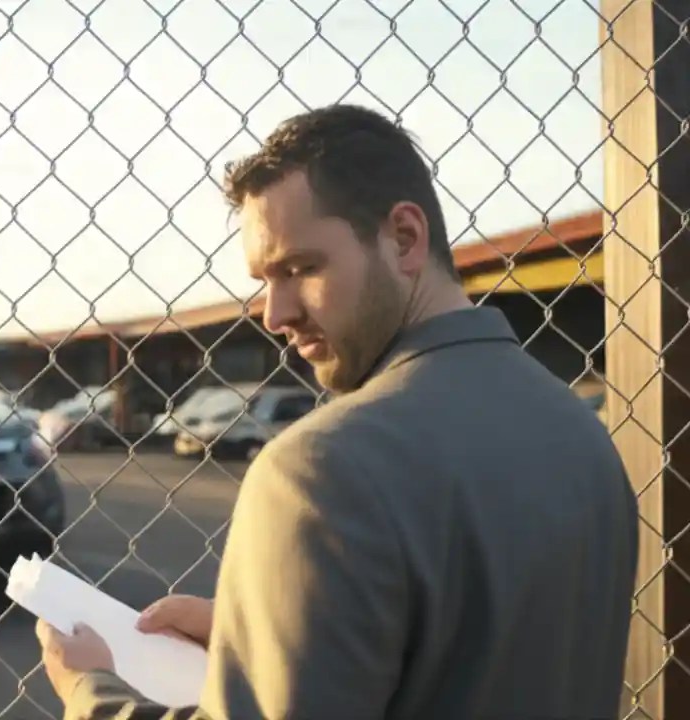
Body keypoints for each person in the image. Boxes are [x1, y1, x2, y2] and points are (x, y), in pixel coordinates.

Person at [33, 104, 638, 719]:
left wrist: (92, 694)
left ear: (404, 238)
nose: (275, 313)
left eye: (299, 268)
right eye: (264, 280)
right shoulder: (581, 433)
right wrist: (272, 647)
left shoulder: (320, 469)